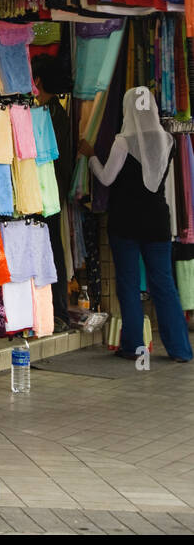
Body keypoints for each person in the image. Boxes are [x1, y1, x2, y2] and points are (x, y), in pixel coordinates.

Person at [80, 87, 194, 362]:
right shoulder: (167, 140)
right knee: (164, 285)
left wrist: (90, 155)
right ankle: (181, 349)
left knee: (129, 286)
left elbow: (106, 178)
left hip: (126, 222)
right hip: (157, 221)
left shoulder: (124, 141)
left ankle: (133, 347)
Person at [32, 55, 74, 323]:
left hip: (45, 192)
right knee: (52, 247)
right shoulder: (57, 112)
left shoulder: (44, 114)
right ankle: (56, 309)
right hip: (54, 192)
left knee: (49, 249)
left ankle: (55, 310)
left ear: (36, 82)